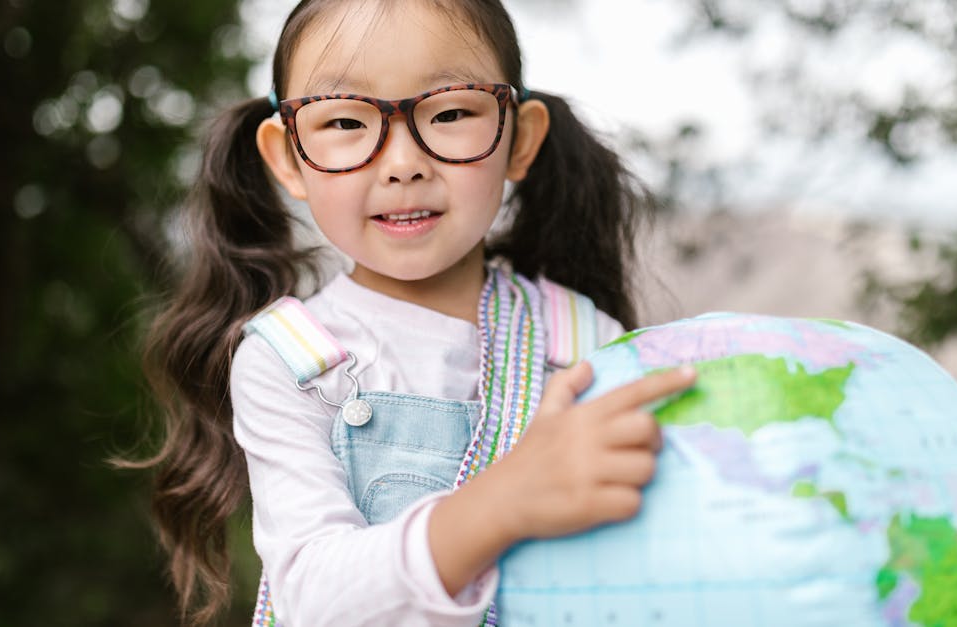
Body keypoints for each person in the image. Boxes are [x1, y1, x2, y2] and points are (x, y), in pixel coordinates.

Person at [140, 0, 697, 625]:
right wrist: (501, 505)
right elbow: (315, 597)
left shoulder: (584, 340)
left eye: (453, 110)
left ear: (520, 139)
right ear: (288, 157)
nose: (403, 165)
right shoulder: (290, 358)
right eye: (346, 122)